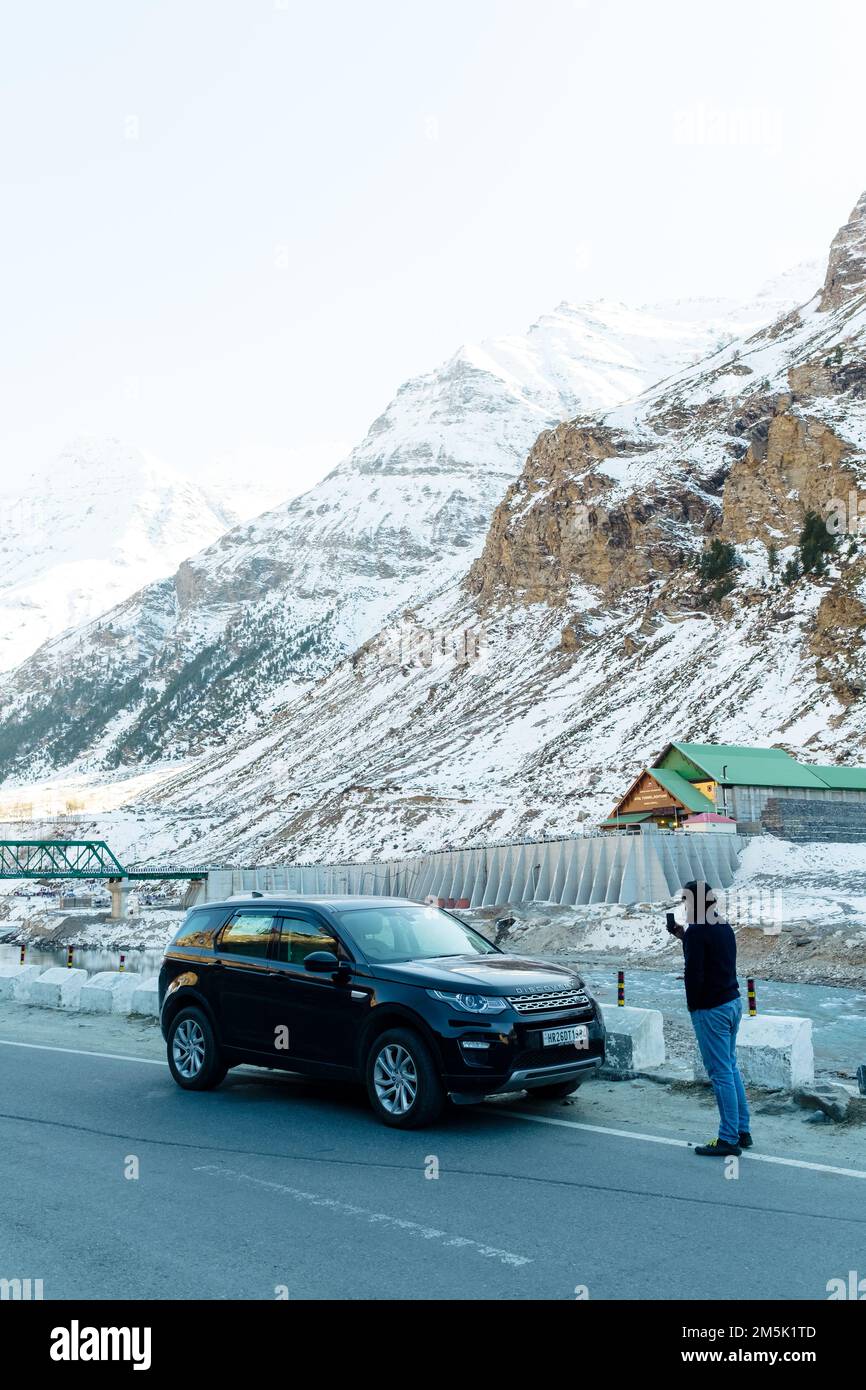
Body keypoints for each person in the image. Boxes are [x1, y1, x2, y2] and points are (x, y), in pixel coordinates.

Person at [669, 879, 752, 1158]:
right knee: (730, 1067)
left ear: (693, 903)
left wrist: (694, 1008)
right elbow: (711, 958)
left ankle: (728, 1139)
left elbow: (694, 974)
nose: (683, 905)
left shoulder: (697, 932)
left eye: (685, 901)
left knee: (719, 1073)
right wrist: (683, 937)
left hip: (711, 1009)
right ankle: (742, 1130)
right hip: (732, 1003)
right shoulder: (722, 925)